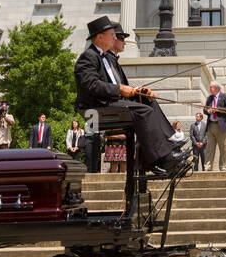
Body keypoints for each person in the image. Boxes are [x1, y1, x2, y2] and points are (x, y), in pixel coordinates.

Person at [73, 16, 189, 176]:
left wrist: (137, 91)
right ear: (100, 37)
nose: (115, 38)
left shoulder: (105, 57)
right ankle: (162, 159)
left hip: (110, 102)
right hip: (95, 109)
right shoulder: (88, 57)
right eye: (112, 34)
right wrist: (119, 89)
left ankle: (169, 145)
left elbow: (116, 85)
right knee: (143, 112)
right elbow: (90, 85)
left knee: (148, 101)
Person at [203, 81, 226, 171]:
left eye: (211, 87)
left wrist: (218, 110)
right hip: (211, 125)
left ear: (217, 88)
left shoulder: (225, 97)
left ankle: (223, 166)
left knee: (223, 148)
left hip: (222, 126)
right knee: (209, 148)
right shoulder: (209, 98)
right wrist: (207, 111)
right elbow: (204, 109)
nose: (210, 89)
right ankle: (208, 167)